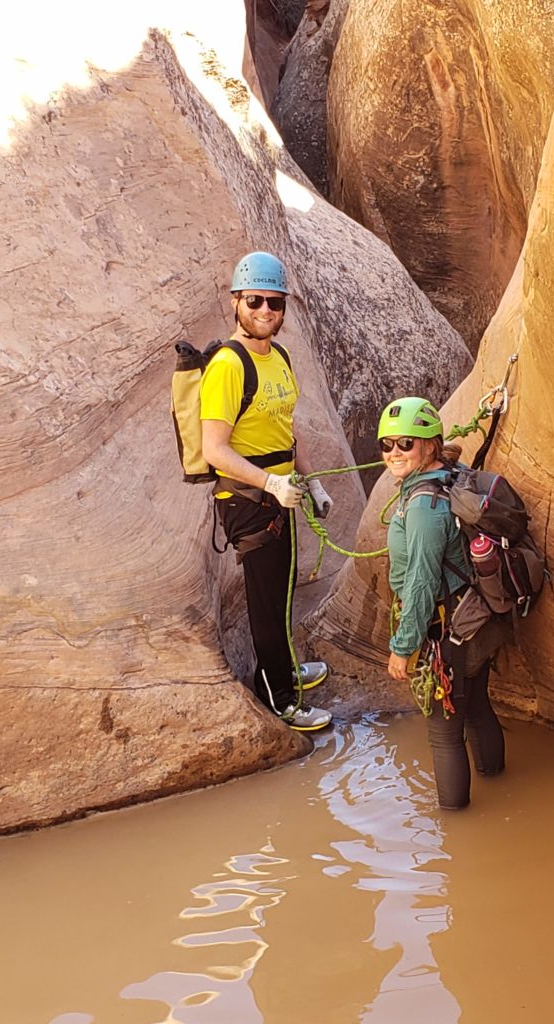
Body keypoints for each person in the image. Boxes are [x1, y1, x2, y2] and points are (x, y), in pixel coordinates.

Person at [200, 251, 333, 731]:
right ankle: (280, 698)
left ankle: (286, 671)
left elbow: (285, 430)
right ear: (236, 301)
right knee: (266, 597)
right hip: (248, 498)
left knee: (282, 587)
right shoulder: (227, 366)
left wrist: (310, 480)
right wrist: (271, 483)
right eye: (254, 300)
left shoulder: (278, 357)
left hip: (281, 490)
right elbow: (213, 448)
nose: (265, 312)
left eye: (274, 303)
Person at [378, 396, 507, 807]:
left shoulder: (423, 508)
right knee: (478, 706)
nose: (395, 453)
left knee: (444, 732)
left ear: (429, 445)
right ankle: (499, 783)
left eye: (406, 444)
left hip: (447, 627)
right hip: (479, 615)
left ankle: (455, 833)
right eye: (387, 444)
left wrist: (404, 647)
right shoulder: (453, 475)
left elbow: (419, 584)